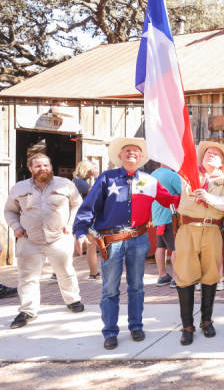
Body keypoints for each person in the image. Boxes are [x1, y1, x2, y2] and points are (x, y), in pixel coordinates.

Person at [74, 137, 180, 350]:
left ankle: (136, 326)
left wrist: (193, 191)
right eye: (127, 150)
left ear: (141, 158)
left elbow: (171, 200)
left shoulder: (150, 181)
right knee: (110, 289)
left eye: (136, 151)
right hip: (112, 241)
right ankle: (110, 331)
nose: (132, 153)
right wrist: (80, 230)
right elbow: (88, 207)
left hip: (138, 240)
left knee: (137, 286)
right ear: (120, 156)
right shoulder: (106, 179)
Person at [4, 153, 84, 328]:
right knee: (27, 277)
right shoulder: (19, 188)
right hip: (29, 239)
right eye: (38, 166)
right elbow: (10, 210)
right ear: (30, 168)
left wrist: (71, 224)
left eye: (46, 165)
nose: (43, 169)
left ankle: (73, 300)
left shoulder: (66, 184)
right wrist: (15, 226)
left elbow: (78, 204)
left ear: (51, 167)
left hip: (59, 238)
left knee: (66, 271)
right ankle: (28, 310)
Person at [173, 141, 224, 346]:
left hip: (212, 230)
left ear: (222, 162)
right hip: (188, 228)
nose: (211, 155)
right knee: (185, 275)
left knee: (210, 275)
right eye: (208, 152)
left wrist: (208, 198)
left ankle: (206, 321)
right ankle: (187, 325)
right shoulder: (187, 175)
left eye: (216, 154)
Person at [150, 163, 182, 287]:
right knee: (176, 248)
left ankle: (162, 276)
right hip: (170, 216)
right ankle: (175, 278)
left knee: (160, 246)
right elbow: (184, 193)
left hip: (157, 215)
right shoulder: (172, 175)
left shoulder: (153, 174)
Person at [73, 160, 101, 279]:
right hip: (82, 216)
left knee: (76, 245)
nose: (93, 171)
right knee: (91, 243)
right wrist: (96, 178)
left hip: (78, 215)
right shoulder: (79, 181)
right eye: (91, 169)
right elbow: (95, 193)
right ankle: (93, 273)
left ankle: (57, 272)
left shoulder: (78, 181)